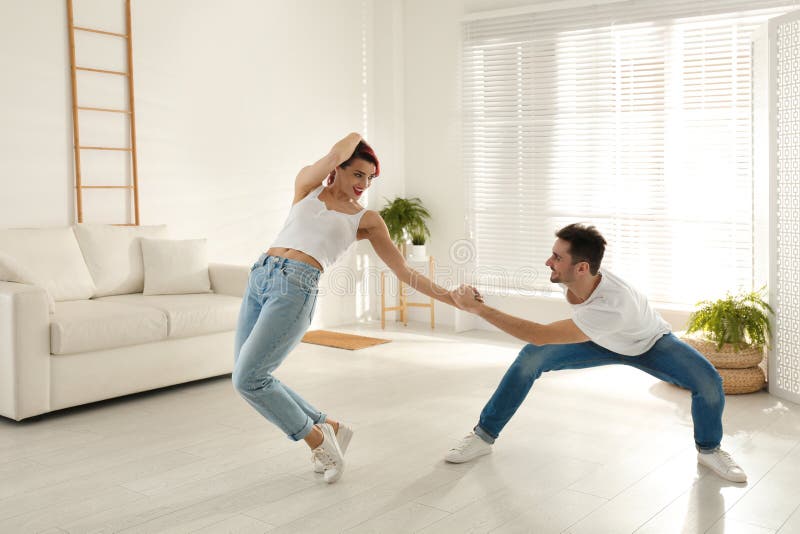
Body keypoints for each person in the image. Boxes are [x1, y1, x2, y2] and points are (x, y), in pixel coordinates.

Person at [232, 133, 458, 484]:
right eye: (358, 174)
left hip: (296, 288)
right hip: (261, 276)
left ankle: (318, 440)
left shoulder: (366, 219)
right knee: (248, 376)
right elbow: (343, 144)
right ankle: (332, 427)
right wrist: (356, 140)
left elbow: (403, 270)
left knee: (249, 378)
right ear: (338, 168)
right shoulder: (307, 186)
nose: (363, 185)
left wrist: (452, 298)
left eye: (370, 179)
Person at [446, 223, 747, 483]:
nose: (548, 261)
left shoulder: (614, 305)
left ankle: (710, 450)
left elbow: (537, 333)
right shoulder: (581, 278)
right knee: (530, 359)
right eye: (553, 253)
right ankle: (483, 437)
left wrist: (478, 309)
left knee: (708, 381)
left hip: (648, 343)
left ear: (581, 267)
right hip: (601, 339)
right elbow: (564, 315)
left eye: (557, 257)